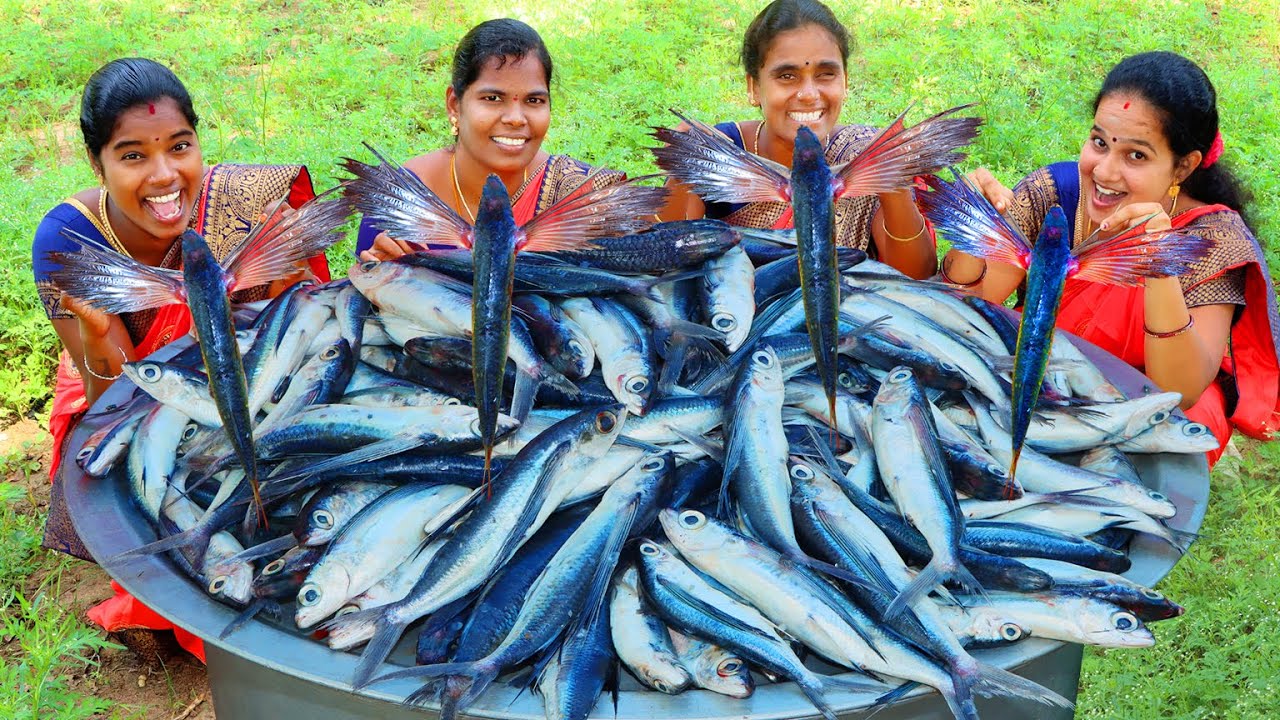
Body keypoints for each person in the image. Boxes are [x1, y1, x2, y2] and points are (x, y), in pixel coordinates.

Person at [31, 57, 330, 659]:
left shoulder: (250, 207)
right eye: (133, 155)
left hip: (246, 376)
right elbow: (114, 401)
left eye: (179, 146)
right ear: (97, 163)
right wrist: (97, 337)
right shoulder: (71, 242)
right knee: (143, 486)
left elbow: (301, 342)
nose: (164, 175)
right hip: (130, 390)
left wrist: (288, 285)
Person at [941, 51, 1280, 467]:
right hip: (1044, 365)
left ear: (1183, 167)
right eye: (1099, 143)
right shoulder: (1057, 196)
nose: (1103, 172)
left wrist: (1159, 262)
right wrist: (975, 227)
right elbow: (965, 305)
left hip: (1145, 403)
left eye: (1136, 155)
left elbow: (1179, 389)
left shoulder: (1209, 241)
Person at [657, 0, 937, 279]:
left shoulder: (862, 153)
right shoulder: (722, 155)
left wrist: (892, 180)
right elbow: (661, 260)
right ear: (754, 87)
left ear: (845, 82)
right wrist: (680, 170)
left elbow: (915, 275)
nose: (808, 94)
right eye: (787, 76)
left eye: (826, 74)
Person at [357, 18, 624, 260]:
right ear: (454, 105)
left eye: (534, 100)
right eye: (493, 98)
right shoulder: (400, 200)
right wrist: (380, 272)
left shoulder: (583, 198)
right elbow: (364, 290)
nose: (516, 119)